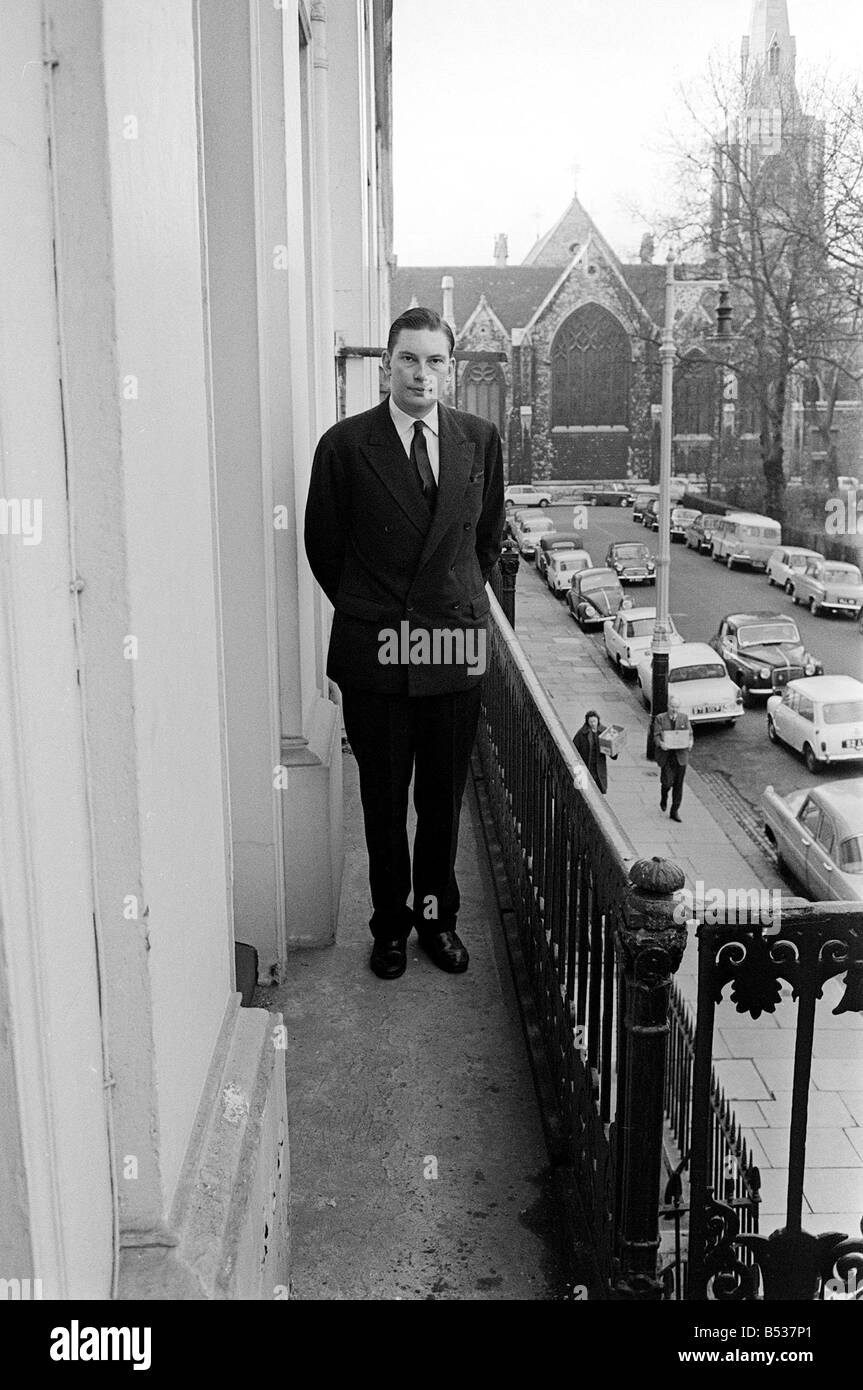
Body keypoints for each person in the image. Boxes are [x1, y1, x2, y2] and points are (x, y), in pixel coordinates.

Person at [304, 307, 505, 980]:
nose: (422, 373)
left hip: (452, 651)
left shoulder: (479, 439)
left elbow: (485, 542)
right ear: (387, 364)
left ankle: (434, 921)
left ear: (449, 367)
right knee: (384, 805)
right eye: (409, 359)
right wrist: (374, 615)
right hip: (377, 657)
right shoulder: (344, 445)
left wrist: (451, 610)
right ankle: (389, 928)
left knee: (442, 803)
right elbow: (325, 548)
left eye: (435, 360)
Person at [652, 693, 692, 822]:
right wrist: (661, 744)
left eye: (677, 707)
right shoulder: (660, 718)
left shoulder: (684, 718)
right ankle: (664, 796)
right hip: (667, 756)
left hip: (680, 756)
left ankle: (674, 811)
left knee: (678, 785)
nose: (674, 709)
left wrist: (690, 742)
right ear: (668, 705)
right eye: (672, 706)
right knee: (667, 783)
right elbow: (656, 735)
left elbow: (689, 734)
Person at [573, 710, 617, 795]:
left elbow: (611, 749)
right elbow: (574, 747)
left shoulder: (604, 732)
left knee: (598, 787)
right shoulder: (582, 733)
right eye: (591, 722)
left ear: (598, 720)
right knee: (587, 789)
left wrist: (615, 751)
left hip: (599, 765)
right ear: (587, 722)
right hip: (587, 764)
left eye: (594, 721)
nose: (593, 723)